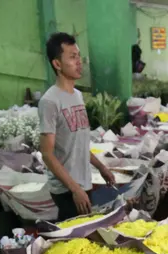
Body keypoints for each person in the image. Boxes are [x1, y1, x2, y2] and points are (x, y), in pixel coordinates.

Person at [39, 32, 117, 220]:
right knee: (76, 242)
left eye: (79, 56)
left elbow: (78, 143)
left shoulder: (78, 95)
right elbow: (47, 154)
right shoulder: (49, 101)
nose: (79, 62)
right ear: (57, 64)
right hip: (67, 188)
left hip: (83, 183)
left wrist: (101, 167)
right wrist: (75, 189)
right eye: (72, 57)